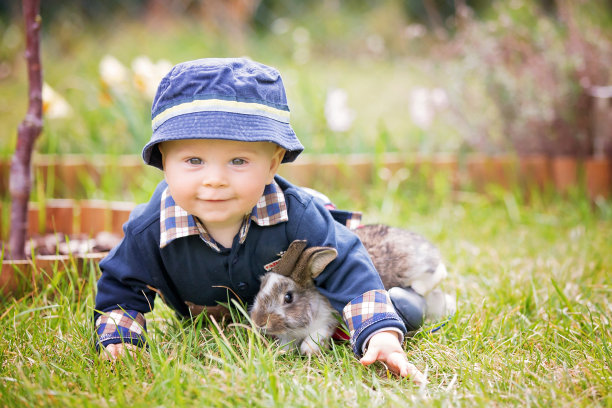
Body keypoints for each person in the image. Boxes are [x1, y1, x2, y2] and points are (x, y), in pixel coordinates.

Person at [94, 57, 427, 383]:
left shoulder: (297, 214)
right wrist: (121, 340)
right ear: (163, 160)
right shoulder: (149, 230)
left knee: (365, 267)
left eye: (238, 160)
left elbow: (348, 266)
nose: (215, 180)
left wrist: (381, 334)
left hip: (304, 283)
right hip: (233, 313)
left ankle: (401, 304)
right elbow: (121, 288)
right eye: (193, 160)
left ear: (273, 164)